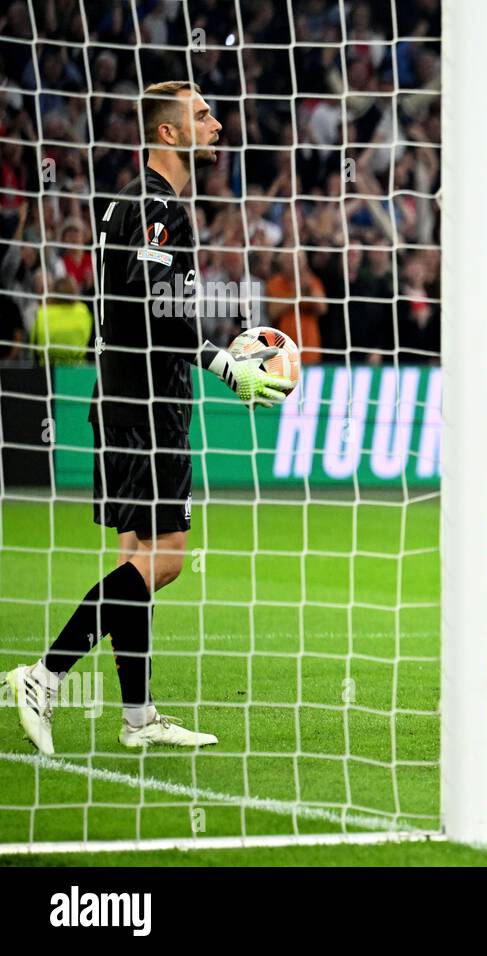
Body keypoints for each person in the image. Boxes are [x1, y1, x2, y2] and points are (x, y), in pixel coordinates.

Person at [6, 81, 294, 755]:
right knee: (165, 561)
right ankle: (45, 676)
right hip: (146, 408)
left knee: (137, 556)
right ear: (169, 134)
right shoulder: (162, 209)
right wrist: (226, 365)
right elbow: (151, 314)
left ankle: (139, 718)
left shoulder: (126, 204)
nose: (215, 124)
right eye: (201, 115)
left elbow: (146, 307)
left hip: (123, 400)